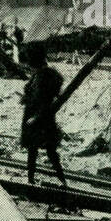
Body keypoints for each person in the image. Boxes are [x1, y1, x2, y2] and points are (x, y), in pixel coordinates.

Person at [20, 42, 68, 188]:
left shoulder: (42, 77)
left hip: (38, 117)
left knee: (36, 150)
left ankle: (31, 180)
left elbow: (43, 100)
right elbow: (51, 96)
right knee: (48, 150)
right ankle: (60, 180)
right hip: (43, 117)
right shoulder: (46, 74)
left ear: (32, 61)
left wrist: (35, 118)